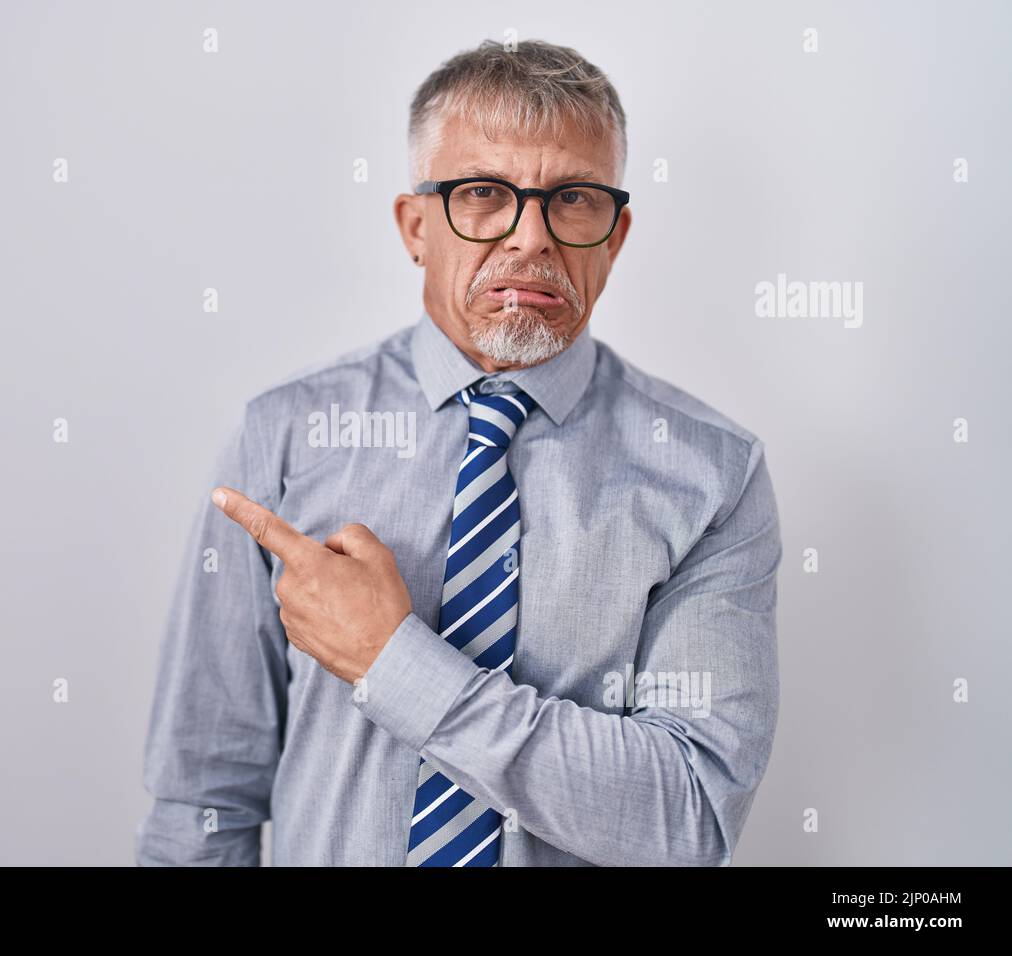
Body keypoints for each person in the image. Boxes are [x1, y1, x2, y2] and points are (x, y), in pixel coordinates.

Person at [136, 39, 781, 867]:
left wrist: (393, 662)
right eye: (484, 194)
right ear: (415, 226)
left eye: (573, 200)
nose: (529, 239)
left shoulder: (711, 476)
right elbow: (203, 799)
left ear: (614, 238)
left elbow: (685, 818)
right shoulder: (286, 436)